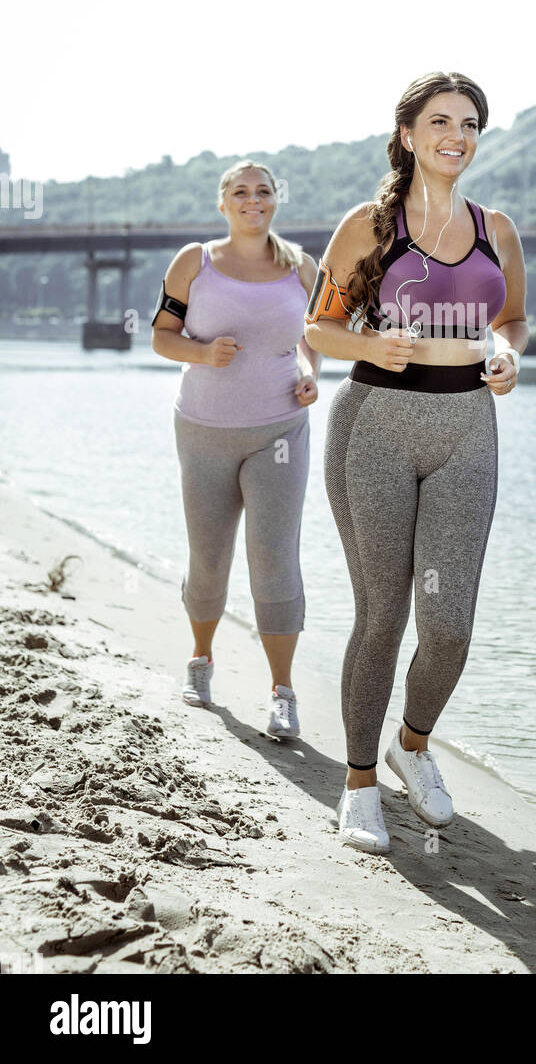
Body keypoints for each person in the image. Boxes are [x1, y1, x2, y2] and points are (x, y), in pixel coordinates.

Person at [304, 71, 528, 853]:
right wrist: (368, 342)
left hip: (468, 426)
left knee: (450, 626)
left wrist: (506, 352)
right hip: (377, 425)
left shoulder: (496, 227)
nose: (455, 136)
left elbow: (516, 319)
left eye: (469, 124)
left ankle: (414, 743)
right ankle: (359, 783)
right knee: (383, 616)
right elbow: (319, 330)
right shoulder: (369, 226)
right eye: (439, 122)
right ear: (408, 135)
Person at [151, 160, 320, 740]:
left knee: (274, 558)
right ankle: (201, 660)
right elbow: (160, 336)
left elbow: (309, 342)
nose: (253, 200)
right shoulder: (193, 262)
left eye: (264, 191)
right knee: (210, 556)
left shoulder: (301, 268)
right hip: (203, 428)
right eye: (241, 192)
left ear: (277, 200)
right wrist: (201, 354)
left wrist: (307, 375)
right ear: (223, 204)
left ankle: (282, 693)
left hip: (280, 430)